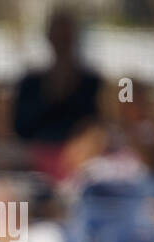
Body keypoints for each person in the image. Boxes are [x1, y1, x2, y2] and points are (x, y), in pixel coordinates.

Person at [12, 9, 102, 178]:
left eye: (66, 36)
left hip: (81, 164)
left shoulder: (91, 82)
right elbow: (21, 127)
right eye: (58, 35)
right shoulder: (31, 83)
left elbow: (94, 124)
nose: (62, 41)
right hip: (36, 161)